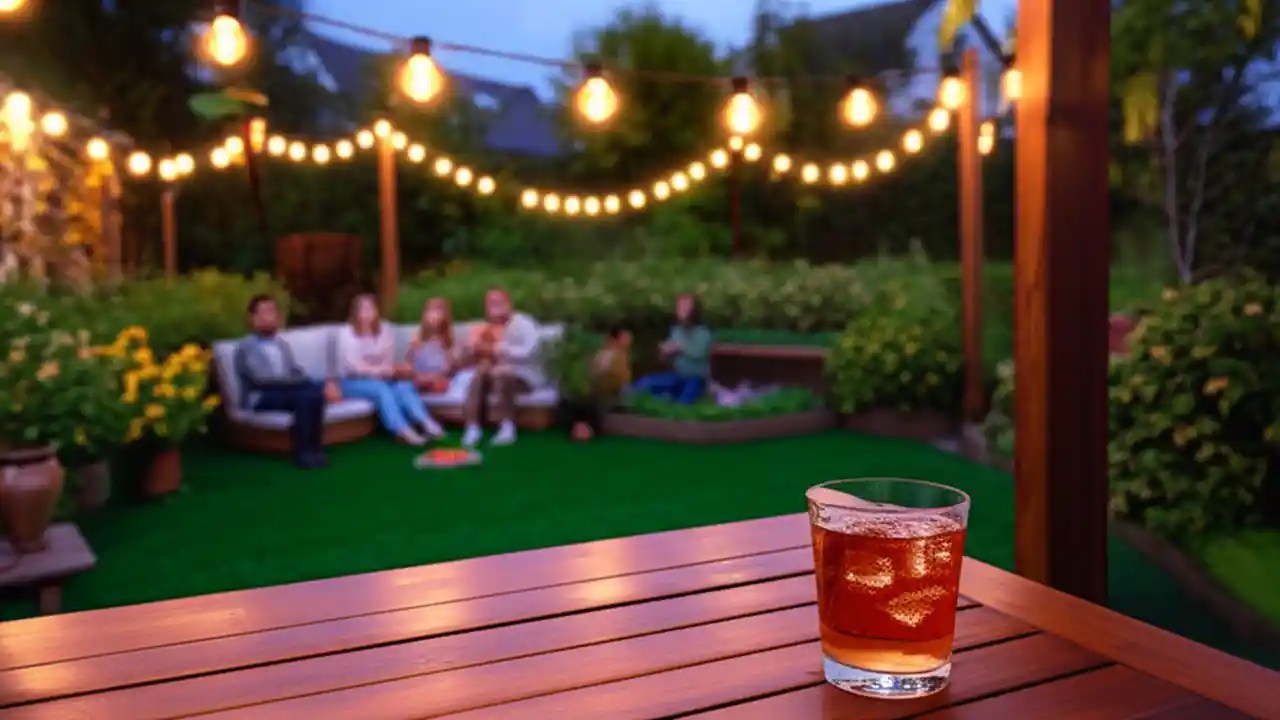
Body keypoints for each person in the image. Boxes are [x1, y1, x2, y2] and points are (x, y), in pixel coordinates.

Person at [233, 294, 333, 469]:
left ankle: (315, 448)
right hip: (260, 396)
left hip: (285, 391)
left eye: (272, 312)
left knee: (315, 392)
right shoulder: (247, 346)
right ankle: (302, 453)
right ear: (253, 319)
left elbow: (294, 370)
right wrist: (297, 382)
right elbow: (261, 379)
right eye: (264, 313)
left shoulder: (281, 344)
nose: (270, 317)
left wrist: (306, 380)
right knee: (304, 396)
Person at [337, 293, 444, 445]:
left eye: (370, 309)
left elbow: (388, 361)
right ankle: (401, 429)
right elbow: (354, 367)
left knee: (404, 386)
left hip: (382, 378)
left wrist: (379, 369)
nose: (367, 314)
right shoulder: (347, 332)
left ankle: (425, 421)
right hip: (351, 381)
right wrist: (380, 369)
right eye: (363, 309)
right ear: (355, 312)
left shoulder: (384, 330)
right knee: (381, 389)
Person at [460, 288, 543, 448]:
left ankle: (507, 427)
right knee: (479, 375)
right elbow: (476, 356)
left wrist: (499, 349)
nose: (494, 307)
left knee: (504, 376)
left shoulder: (524, 323)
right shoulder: (488, 328)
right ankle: (472, 427)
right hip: (497, 373)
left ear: (508, 303)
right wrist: (473, 350)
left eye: (498, 302)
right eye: (490, 303)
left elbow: (530, 351)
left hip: (526, 376)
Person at [632, 293, 712, 404]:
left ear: (694, 310)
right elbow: (667, 358)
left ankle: (671, 399)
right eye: (679, 307)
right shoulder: (675, 331)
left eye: (685, 307)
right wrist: (664, 353)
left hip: (695, 379)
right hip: (677, 375)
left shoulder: (703, 332)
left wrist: (679, 347)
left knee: (684, 402)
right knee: (645, 383)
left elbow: (698, 353)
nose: (680, 310)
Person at [568, 325, 633, 442]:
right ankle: (581, 427)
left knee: (591, 403)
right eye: (625, 338)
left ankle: (585, 427)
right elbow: (594, 373)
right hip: (599, 392)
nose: (628, 341)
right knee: (583, 401)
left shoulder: (620, 356)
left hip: (608, 395)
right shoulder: (607, 354)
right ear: (615, 340)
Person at [407, 297, 457, 393]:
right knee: (403, 386)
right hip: (418, 380)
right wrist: (413, 348)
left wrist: (432, 377)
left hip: (438, 381)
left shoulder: (448, 341)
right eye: (430, 311)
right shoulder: (416, 337)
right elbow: (410, 365)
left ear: (445, 316)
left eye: (438, 312)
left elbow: (447, 370)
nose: (433, 316)